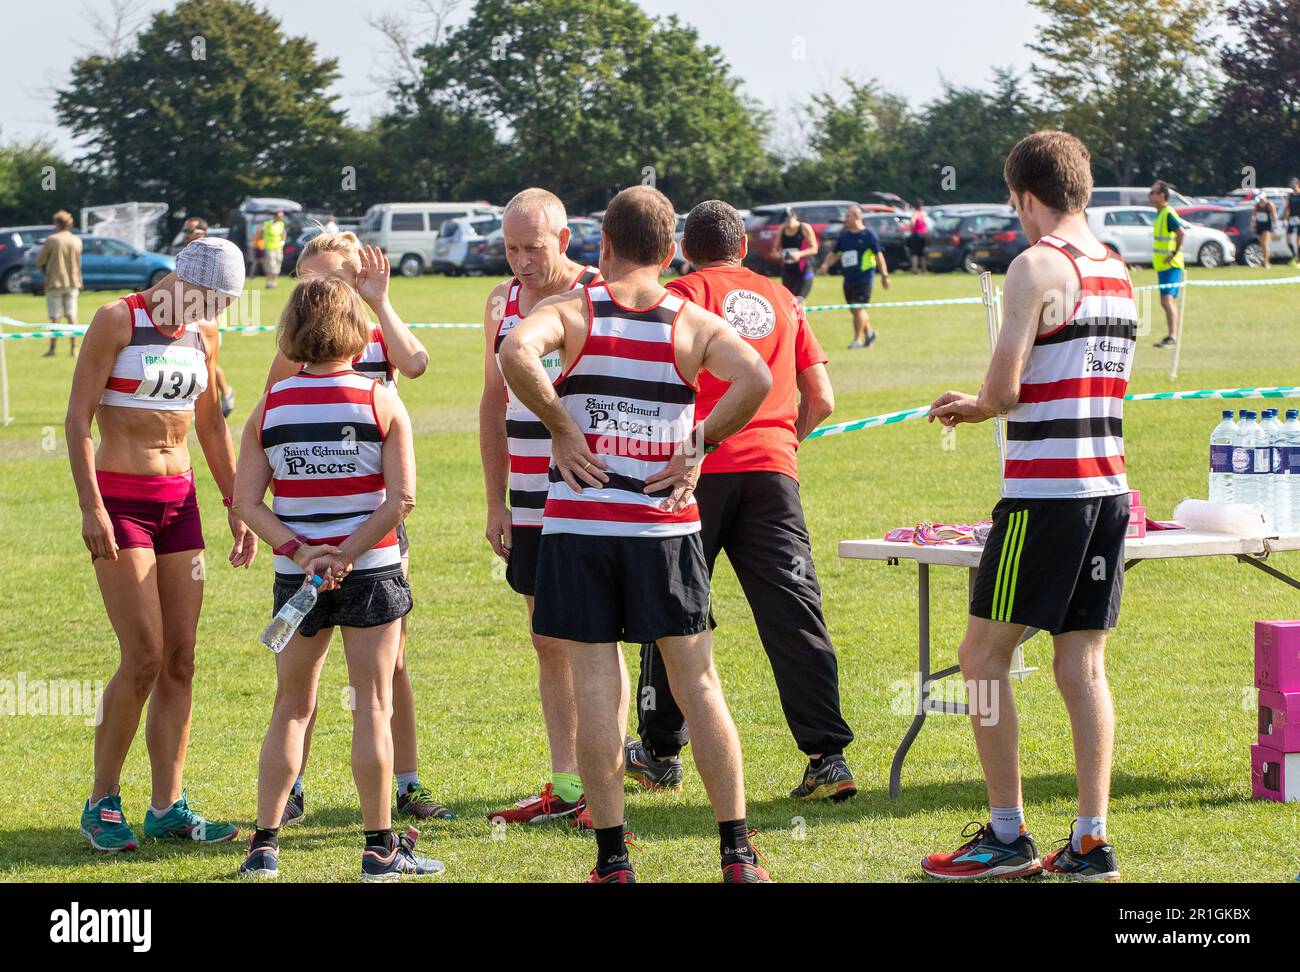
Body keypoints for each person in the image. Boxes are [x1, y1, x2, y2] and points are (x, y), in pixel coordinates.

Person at [499, 186, 773, 883]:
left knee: (596, 686)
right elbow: (759, 376)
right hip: (664, 529)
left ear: (604, 246)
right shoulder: (691, 321)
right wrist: (703, 438)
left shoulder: (574, 310)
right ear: (672, 251)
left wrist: (562, 425)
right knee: (700, 684)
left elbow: (514, 351)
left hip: (581, 527)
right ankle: (737, 852)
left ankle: (614, 859)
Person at [923, 130, 1136, 882]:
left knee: (980, 657)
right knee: (1080, 661)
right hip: (1109, 491)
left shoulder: (1034, 265)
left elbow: (1006, 388)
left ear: (1023, 194)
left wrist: (970, 407)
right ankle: (1089, 840)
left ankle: (1007, 836)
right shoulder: (1118, 269)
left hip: (1046, 493)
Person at [626, 200, 856, 802]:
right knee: (792, 611)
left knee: (671, 608)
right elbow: (823, 398)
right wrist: (782, 441)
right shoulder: (785, 298)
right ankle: (826, 757)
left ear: (685, 249)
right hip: (772, 474)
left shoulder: (679, 293)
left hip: (693, 470)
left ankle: (658, 751)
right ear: (747, 247)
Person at [234, 277, 441, 881]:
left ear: (292, 334)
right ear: (358, 331)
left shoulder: (269, 405)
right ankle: (380, 850)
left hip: (297, 579)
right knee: (372, 706)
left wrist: (304, 553)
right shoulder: (380, 399)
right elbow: (401, 499)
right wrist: (346, 552)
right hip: (371, 569)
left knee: (291, 708)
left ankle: (264, 846)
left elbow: (247, 503)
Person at [65, 236, 256, 852]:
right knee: (144, 654)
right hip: (120, 501)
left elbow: (209, 426)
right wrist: (90, 504)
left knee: (181, 658)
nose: (218, 311)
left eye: (226, 302)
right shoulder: (116, 318)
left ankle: (168, 807)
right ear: (184, 277)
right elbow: (75, 417)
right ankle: (101, 800)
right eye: (213, 297)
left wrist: (237, 505)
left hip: (181, 505)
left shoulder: (203, 335)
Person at [479, 188, 600, 825]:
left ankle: (608, 782)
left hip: (585, 492)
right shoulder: (499, 301)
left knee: (594, 639)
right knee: (546, 638)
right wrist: (495, 502)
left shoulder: (594, 293)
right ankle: (567, 784)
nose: (521, 260)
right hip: (525, 500)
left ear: (565, 240)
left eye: (534, 247)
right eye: (511, 247)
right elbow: (491, 405)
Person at [182, 218, 236, 417]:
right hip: (187, 319)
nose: (186, 234)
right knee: (200, 363)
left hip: (208, 320)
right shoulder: (186, 255)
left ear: (203, 232)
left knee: (207, 363)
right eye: (185, 230)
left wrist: (215, 316)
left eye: (191, 230)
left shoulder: (213, 255)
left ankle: (224, 395)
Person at [818, 203, 889, 348]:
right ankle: (870, 332)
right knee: (855, 309)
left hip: (864, 279)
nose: (845, 219)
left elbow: (879, 256)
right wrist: (825, 264)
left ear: (857, 217)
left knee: (858, 309)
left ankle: (857, 340)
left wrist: (884, 276)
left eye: (848, 216)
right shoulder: (845, 236)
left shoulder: (869, 235)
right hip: (848, 279)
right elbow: (835, 253)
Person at [38, 211, 83, 358]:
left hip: (55, 283)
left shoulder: (52, 239)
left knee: (55, 317)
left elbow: (40, 260)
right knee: (72, 316)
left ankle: (52, 348)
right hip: (73, 282)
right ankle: (74, 348)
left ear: (57, 223)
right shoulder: (77, 240)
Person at [1149, 180, 1184, 349]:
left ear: (1162, 196)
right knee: (1165, 301)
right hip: (1163, 267)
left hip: (1171, 266)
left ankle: (1172, 337)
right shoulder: (1160, 213)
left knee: (1167, 300)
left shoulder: (1168, 213)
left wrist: (1173, 254)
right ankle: (1171, 335)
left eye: (1153, 192)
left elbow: (1181, 232)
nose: (1150, 195)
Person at [770, 207, 817, 304]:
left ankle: (800, 319)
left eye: (788, 220)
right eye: (784, 221)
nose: (787, 223)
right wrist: (779, 255)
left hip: (804, 270)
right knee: (788, 302)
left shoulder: (804, 228)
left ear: (794, 217)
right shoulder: (781, 231)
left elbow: (814, 249)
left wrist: (799, 254)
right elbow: (774, 251)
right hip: (788, 271)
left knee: (799, 300)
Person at [260, 210, 287, 289]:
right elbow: (261, 232)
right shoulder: (268, 224)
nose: (281, 218)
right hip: (270, 247)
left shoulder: (281, 224)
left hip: (278, 248)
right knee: (271, 265)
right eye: (279, 216)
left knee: (278, 265)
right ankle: (269, 281)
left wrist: (283, 242)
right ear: (275, 216)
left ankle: (274, 282)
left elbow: (284, 234)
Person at [1252, 192, 1278, 266]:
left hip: (1267, 226)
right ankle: (1264, 259)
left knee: (1265, 243)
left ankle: (1266, 262)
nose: (1260, 200)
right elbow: (1254, 214)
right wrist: (1253, 221)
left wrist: (1275, 224)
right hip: (1259, 225)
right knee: (1261, 244)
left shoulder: (1269, 204)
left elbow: (1274, 215)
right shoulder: (1257, 205)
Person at [908, 200, 929, 273]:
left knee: (915, 253)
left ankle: (914, 269)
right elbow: (927, 224)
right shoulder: (924, 213)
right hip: (924, 234)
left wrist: (911, 229)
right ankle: (924, 269)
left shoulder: (915, 213)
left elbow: (912, 223)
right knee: (923, 253)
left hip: (917, 234)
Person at [1286, 178, 1300, 267]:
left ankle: (1298, 259)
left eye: (1294, 184)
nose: (1292, 185)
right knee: (1287, 239)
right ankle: (1294, 255)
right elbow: (1287, 207)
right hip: (1291, 218)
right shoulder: (1290, 195)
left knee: (1298, 240)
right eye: (1291, 184)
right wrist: (1284, 218)